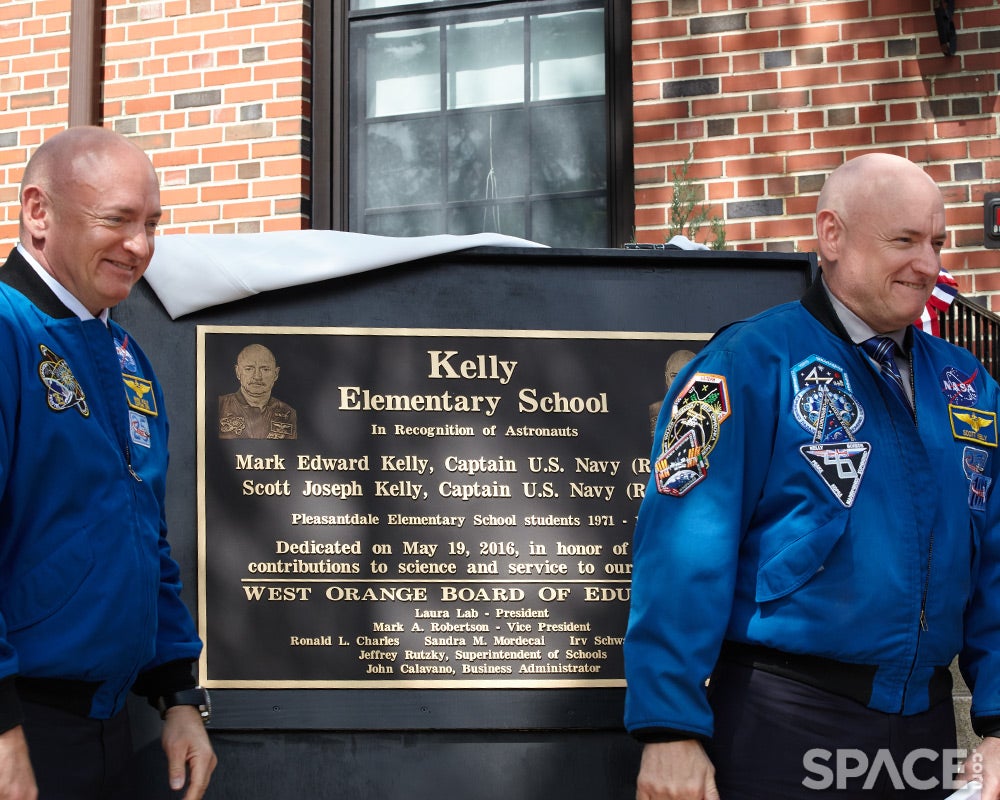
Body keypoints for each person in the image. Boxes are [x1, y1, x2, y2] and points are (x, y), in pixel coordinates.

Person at [624, 153, 1000, 800]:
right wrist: (670, 728)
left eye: (936, 241)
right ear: (832, 236)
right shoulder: (746, 365)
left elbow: (996, 564)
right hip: (785, 722)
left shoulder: (967, 384)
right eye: (904, 241)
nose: (929, 265)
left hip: (926, 730)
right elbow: (682, 549)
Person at [0, 127, 216, 799]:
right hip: (23, 729)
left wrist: (177, 693)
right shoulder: (6, 331)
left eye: (152, 224)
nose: (141, 246)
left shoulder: (125, 356)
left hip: (108, 726)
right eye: (117, 220)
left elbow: (141, 530)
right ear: (39, 213)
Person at [218, 343, 297, 439]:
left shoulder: (288, 414)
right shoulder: (220, 406)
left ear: (275, 374)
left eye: (265, 369)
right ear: (238, 372)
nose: (257, 376)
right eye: (249, 369)